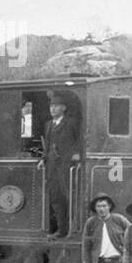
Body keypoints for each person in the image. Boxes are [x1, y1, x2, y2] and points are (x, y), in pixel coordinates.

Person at [43, 89, 82, 238]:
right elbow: (47, 145)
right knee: (56, 198)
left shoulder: (71, 123)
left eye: (56, 106)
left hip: (67, 166)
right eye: (51, 106)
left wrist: (75, 157)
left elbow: (78, 142)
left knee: (70, 197)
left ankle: (74, 229)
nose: (53, 109)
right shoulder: (48, 125)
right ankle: (62, 230)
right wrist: (44, 160)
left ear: (63, 108)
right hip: (52, 167)